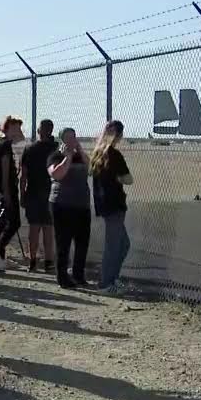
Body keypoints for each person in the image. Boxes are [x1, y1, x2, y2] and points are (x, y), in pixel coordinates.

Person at [90, 120, 132, 294]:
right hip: (114, 204)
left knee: (123, 244)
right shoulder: (113, 154)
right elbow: (128, 179)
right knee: (114, 245)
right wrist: (118, 179)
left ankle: (112, 278)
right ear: (119, 135)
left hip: (105, 203)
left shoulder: (98, 153)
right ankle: (106, 283)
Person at [49, 127, 91, 288]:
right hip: (61, 204)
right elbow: (57, 174)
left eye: (73, 137)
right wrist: (67, 157)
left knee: (82, 242)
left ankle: (78, 275)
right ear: (62, 140)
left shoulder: (80, 156)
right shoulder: (55, 156)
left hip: (82, 204)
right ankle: (63, 278)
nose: (71, 141)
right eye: (67, 138)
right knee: (63, 242)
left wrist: (79, 150)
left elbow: (92, 169)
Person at [20, 119, 59, 273]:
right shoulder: (56, 149)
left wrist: (22, 194)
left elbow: (23, 175)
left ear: (38, 131)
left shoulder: (29, 149)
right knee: (48, 228)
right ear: (51, 130)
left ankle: (33, 261)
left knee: (34, 228)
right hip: (51, 192)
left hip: (33, 192)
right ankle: (49, 261)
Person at [0, 116, 26, 265]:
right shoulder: (5, 145)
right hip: (7, 188)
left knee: (3, 221)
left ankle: (0, 257)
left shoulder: (1, 143)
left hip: (3, 187)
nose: (19, 131)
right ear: (9, 128)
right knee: (14, 222)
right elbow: (5, 170)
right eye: (16, 128)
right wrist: (6, 192)